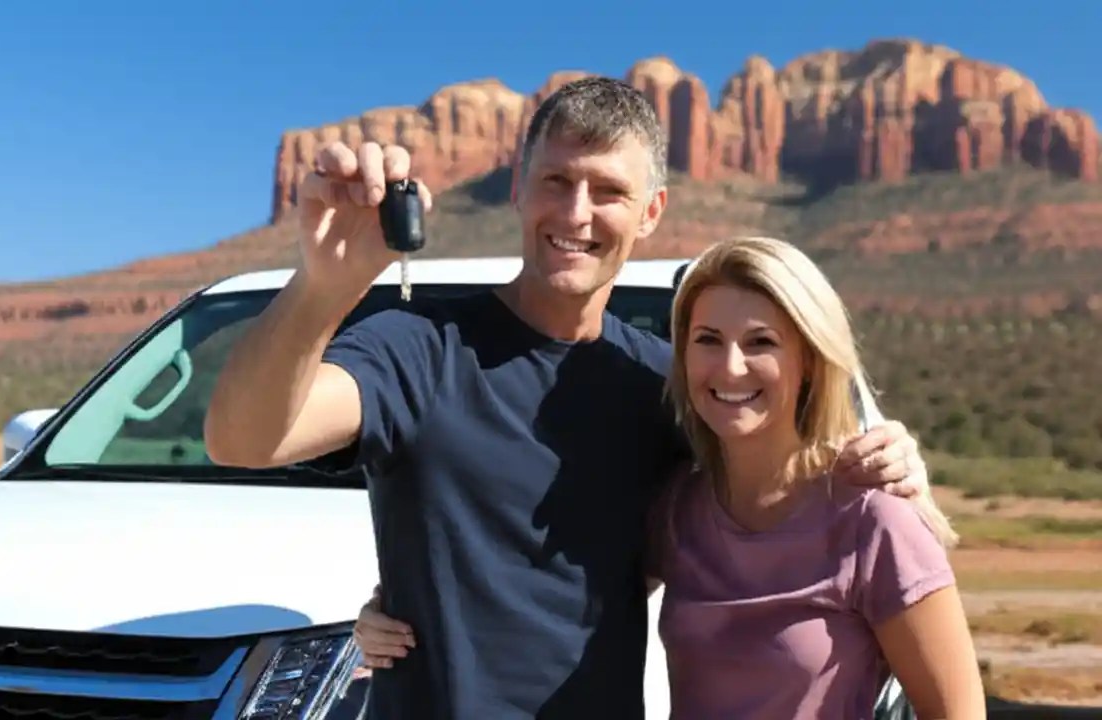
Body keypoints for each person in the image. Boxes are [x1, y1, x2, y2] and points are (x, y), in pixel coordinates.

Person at [204, 76, 931, 719]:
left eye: (609, 190)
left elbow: (768, 509)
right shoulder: (418, 346)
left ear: (650, 212)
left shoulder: (668, 388)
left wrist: (894, 465)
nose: (577, 213)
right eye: (556, 181)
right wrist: (326, 285)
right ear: (517, 189)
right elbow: (245, 439)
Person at [354, 236, 987, 719]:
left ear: (810, 361)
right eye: (708, 339)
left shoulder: (873, 523)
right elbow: (558, 596)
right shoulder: (679, 511)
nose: (730, 366)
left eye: (761, 341)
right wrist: (399, 609)